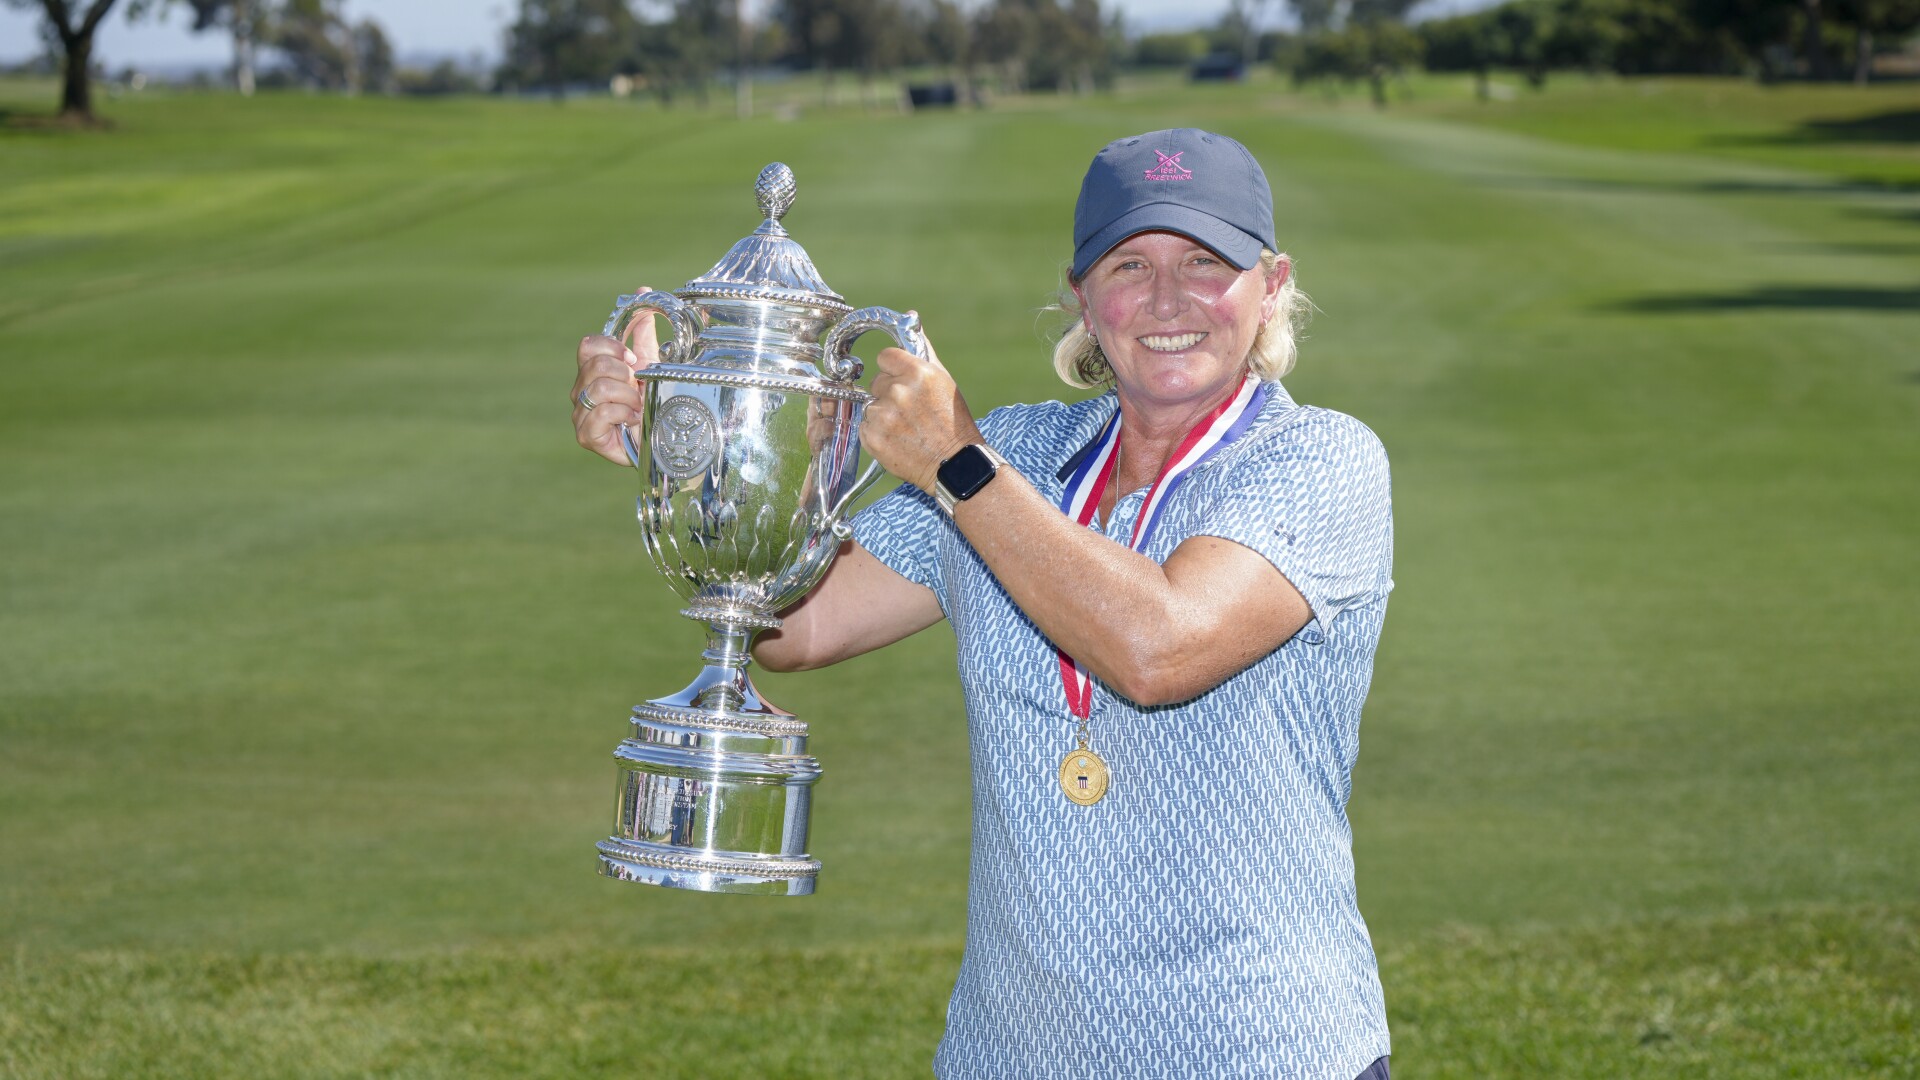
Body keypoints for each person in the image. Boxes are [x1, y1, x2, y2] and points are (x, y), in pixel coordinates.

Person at [572, 128, 1394, 1080]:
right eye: (1130, 264)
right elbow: (798, 624)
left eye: (1206, 263)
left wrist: (960, 467)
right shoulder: (1023, 450)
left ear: (1272, 283)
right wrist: (690, 450)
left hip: (1263, 1049)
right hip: (1013, 1053)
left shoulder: (1322, 460)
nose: (1169, 301)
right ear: (1082, 296)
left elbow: (1159, 650)